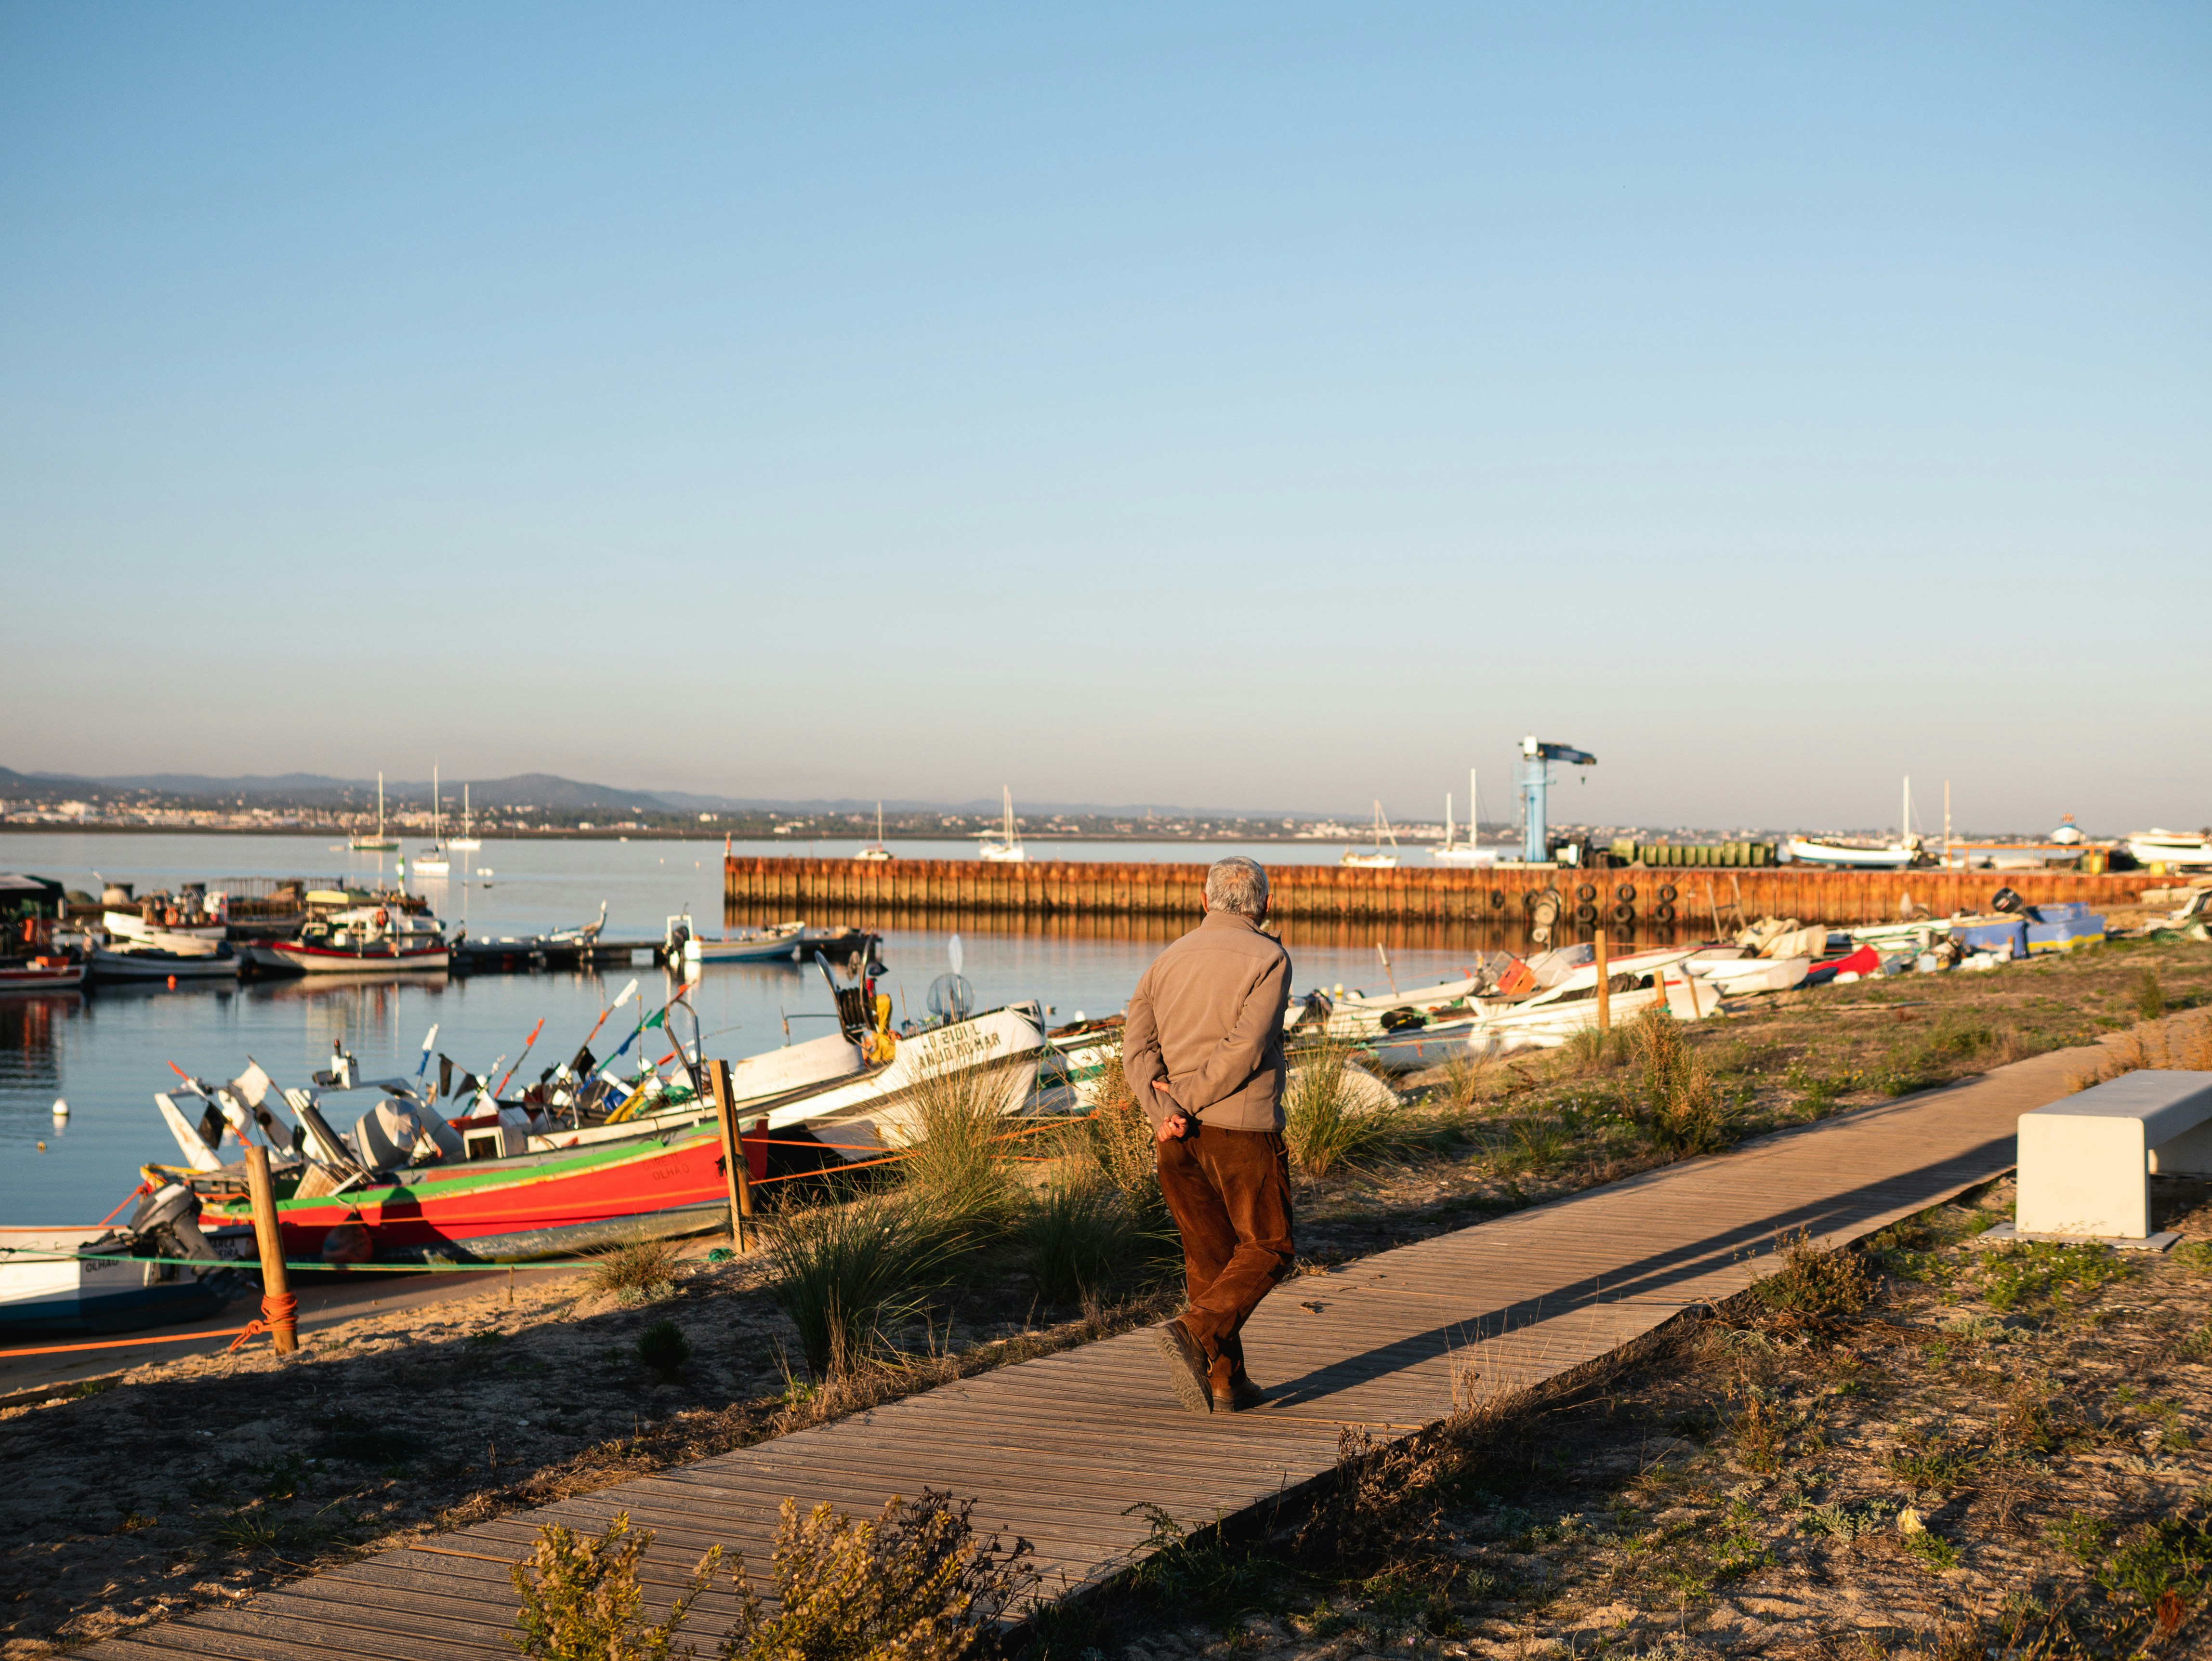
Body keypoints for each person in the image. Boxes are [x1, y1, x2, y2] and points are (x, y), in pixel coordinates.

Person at [1123, 855, 1294, 1413]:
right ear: (1264, 905)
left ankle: (1225, 1384)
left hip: (1175, 1138)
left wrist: (1163, 1110)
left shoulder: (1165, 959)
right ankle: (1194, 1332)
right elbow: (1245, 1046)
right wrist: (1186, 1103)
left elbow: (1137, 1048)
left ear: (1204, 902)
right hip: (1240, 1128)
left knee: (1207, 1258)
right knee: (1269, 1245)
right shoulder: (1269, 956)